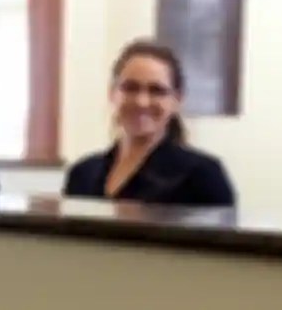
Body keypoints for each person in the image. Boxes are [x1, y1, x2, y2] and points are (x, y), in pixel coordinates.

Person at [63, 39, 236, 207]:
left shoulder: (203, 176)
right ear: (112, 93)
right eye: (130, 88)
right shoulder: (81, 174)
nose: (141, 102)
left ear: (177, 99)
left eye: (157, 91)